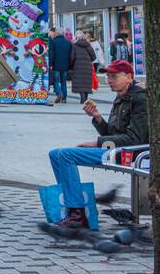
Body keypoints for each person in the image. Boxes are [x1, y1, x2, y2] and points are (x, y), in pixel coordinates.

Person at [46, 60, 150, 228]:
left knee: (65, 155)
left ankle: (77, 214)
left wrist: (97, 143)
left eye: (114, 76)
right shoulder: (121, 96)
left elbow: (134, 139)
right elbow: (112, 134)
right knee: (55, 153)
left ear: (129, 77)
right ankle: (71, 206)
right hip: (117, 150)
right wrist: (97, 118)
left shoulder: (139, 98)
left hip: (133, 153)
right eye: (108, 76)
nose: (109, 80)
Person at [69, 31, 96, 105]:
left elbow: (72, 58)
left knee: (80, 83)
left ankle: (82, 98)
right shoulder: (88, 46)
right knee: (86, 83)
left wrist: (71, 66)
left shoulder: (74, 46)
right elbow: (94, 57)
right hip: (87, 67)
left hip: (78, 67)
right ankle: (85, 99)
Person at [48, 25, 72, 104]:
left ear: (57, 33)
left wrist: (50, 64)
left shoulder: (53, 42)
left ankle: (59, 93)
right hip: (65, 66)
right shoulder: (68, 43)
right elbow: (70, 55)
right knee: (63, 82)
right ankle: (64, 98)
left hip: (56, 65)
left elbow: (51, 54)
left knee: (56, 81)